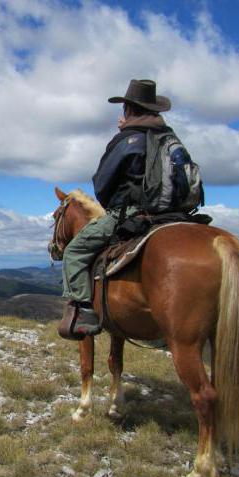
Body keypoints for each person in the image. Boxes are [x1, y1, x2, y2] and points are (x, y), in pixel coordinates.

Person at [58, 79, 174, 340]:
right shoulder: (168, 138)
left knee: (74, 252)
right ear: (155, 111)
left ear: (129, 109)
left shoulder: (127, 140)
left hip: (132, 213)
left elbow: (102, 183)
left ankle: (84, 311)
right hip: (174, 215)